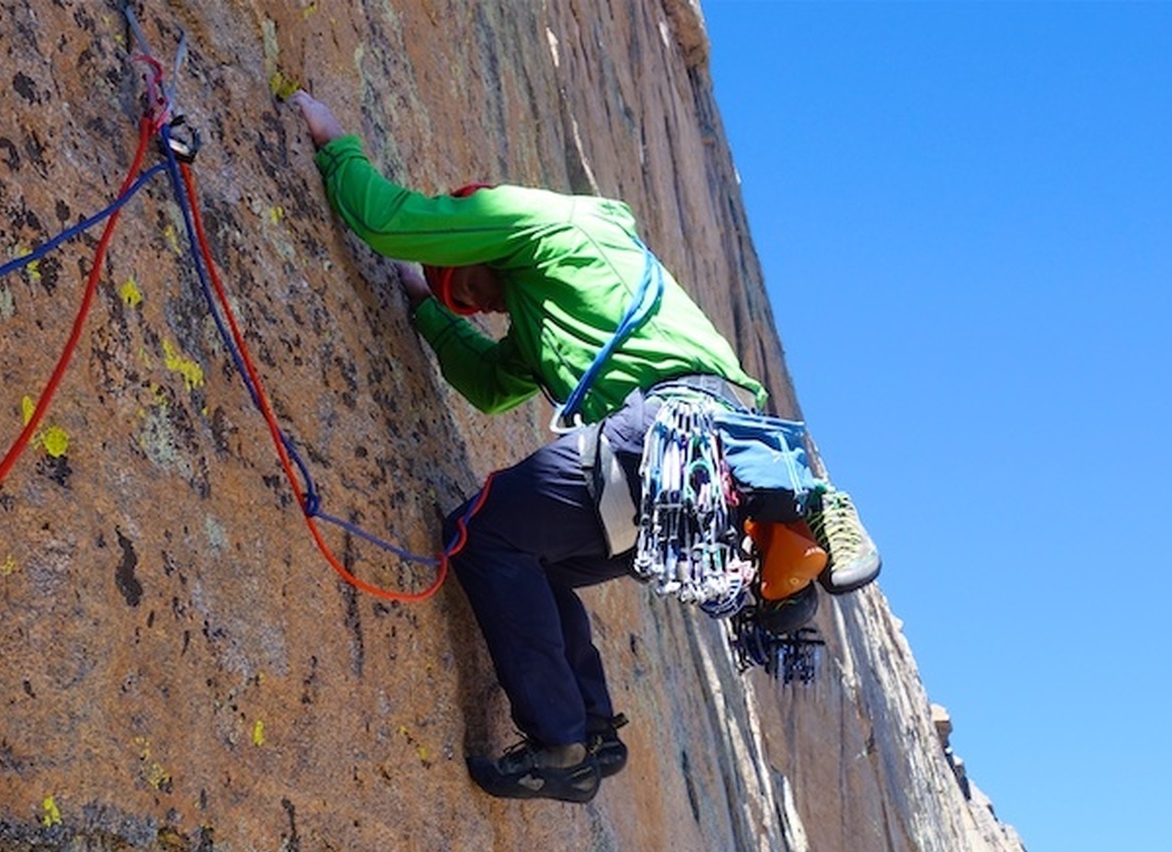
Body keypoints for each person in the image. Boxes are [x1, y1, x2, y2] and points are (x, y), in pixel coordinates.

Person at [288, 91, 880, 804]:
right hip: (679, 470)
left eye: (471, 287)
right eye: (469, 308)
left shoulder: (534, 222)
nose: (483, 307)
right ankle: (592, 731)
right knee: (537, 564)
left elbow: (387, 220)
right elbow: (490, 385)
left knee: (482, 533)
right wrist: (423, 306)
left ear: (480, 246)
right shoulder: (561, 307)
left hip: (661, 434)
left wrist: (332, 141)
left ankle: (560, 743)